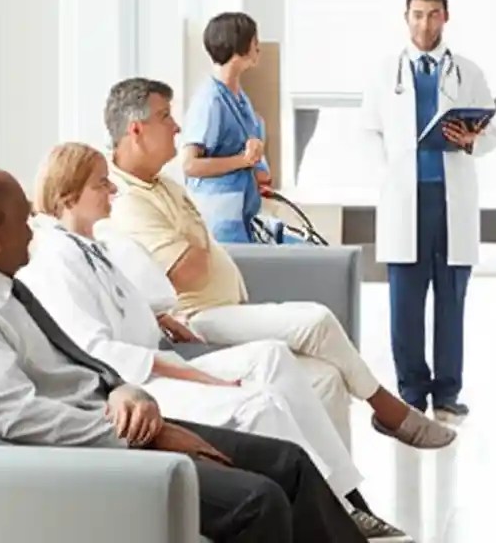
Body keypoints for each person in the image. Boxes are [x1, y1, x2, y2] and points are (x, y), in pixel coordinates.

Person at [0, 167, 366, 542]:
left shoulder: (5, 288)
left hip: (117, 422)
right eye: (24, 219)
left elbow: (80, 364)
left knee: (289, 462)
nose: (33, 230)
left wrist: (124, 389)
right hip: (84, 456)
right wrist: (136, 436)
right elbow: (14, 417)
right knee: (258, 502)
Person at [19, 142, 408, 540]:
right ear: (68, 197)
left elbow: (146, 297)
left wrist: (158, 312)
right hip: (137, 385)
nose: (113, 191)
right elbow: (102, 355)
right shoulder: (55, 262)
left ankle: (346, 495)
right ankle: (333, 515)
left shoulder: (95, 247)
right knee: (258, 404)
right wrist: (203, 379)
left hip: (157, 358)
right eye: (102, 185)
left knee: (272, 356)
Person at [101, 76, 457, 452]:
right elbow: (188, 271)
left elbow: (196, 250)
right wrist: (198, 238)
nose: (176, 126)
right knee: (316, 321)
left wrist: (194, 238)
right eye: (165, 116)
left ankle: (343, 501)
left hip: (223, 307)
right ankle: (387, 409)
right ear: (136, 130)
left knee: (326, 379)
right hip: (200, 318)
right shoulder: (127, 201)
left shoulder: (161, 184)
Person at [357, 0, 496, 418]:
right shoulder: (386, 72)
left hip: (450, 199)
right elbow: (367, 131)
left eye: (434, 14)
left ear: (446, 17)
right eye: (417, 14)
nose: (425, 23)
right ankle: (413, 391)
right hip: (405, 200)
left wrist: (474, 139)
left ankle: (448, 391)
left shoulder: (468, 72)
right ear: (406, 18)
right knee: (406, 300)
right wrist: (391, 171)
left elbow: (492, 133)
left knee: (451, 298)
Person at [181, 12, 276, 244]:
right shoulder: (210, 100)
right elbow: (190, 165)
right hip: (218, 218)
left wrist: (256, 167)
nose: (258, 49)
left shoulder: (239, 98)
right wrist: (243, 161)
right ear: (240, 45)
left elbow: (255, 161)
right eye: (255, 42)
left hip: (241, 213)